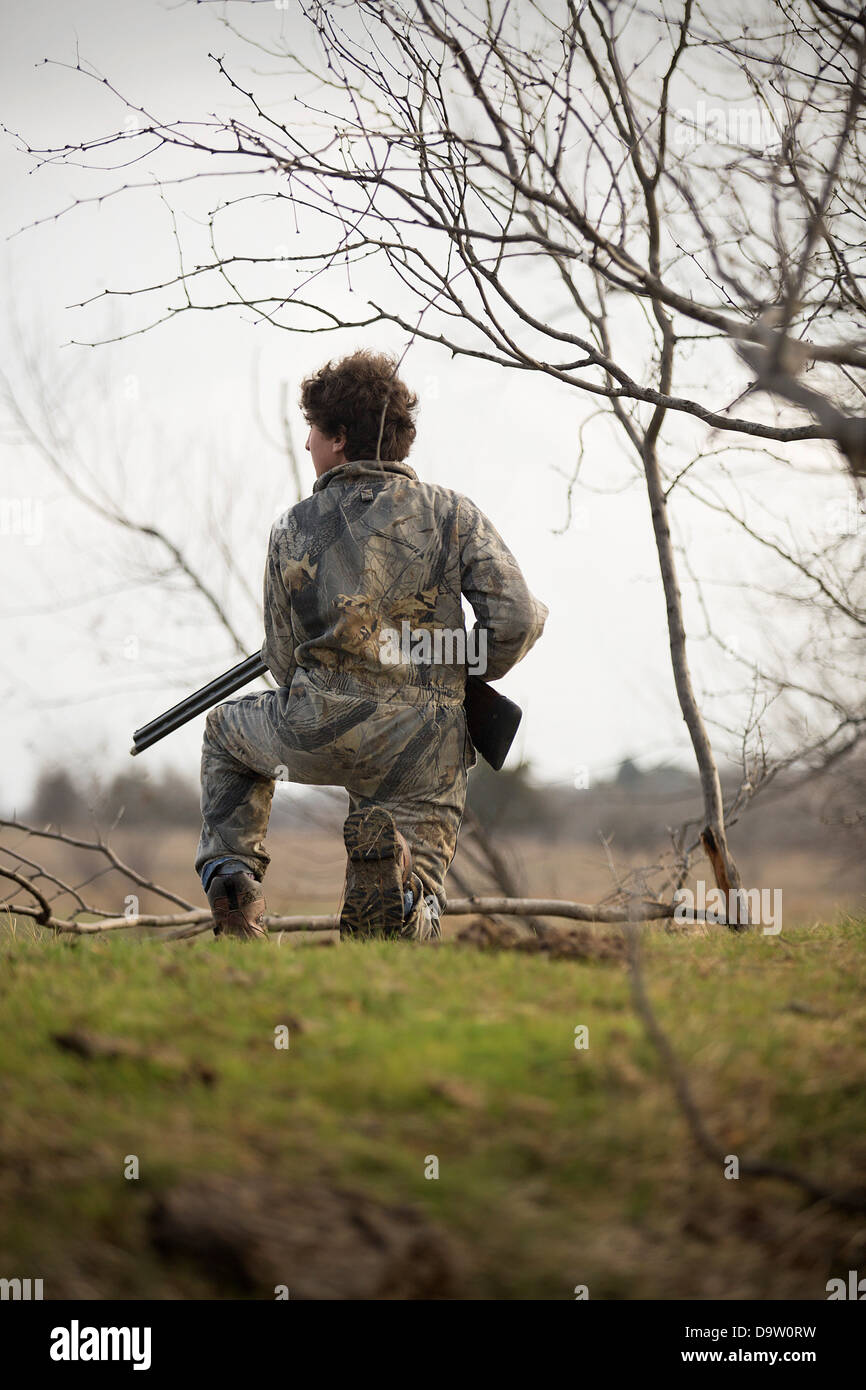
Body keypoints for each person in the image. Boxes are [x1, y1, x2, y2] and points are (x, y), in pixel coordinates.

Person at [195, 350, 547, 941]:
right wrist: (453, 672)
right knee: (422, 882)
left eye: (312, 429)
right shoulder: (453, 513)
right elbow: (513, 620)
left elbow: (283, 659)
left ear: (337, 439)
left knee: (225, 735)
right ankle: (403, 897)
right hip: (424, 741)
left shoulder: (292, 528)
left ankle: (235, 880)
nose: (306, 443)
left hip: (317, 727)